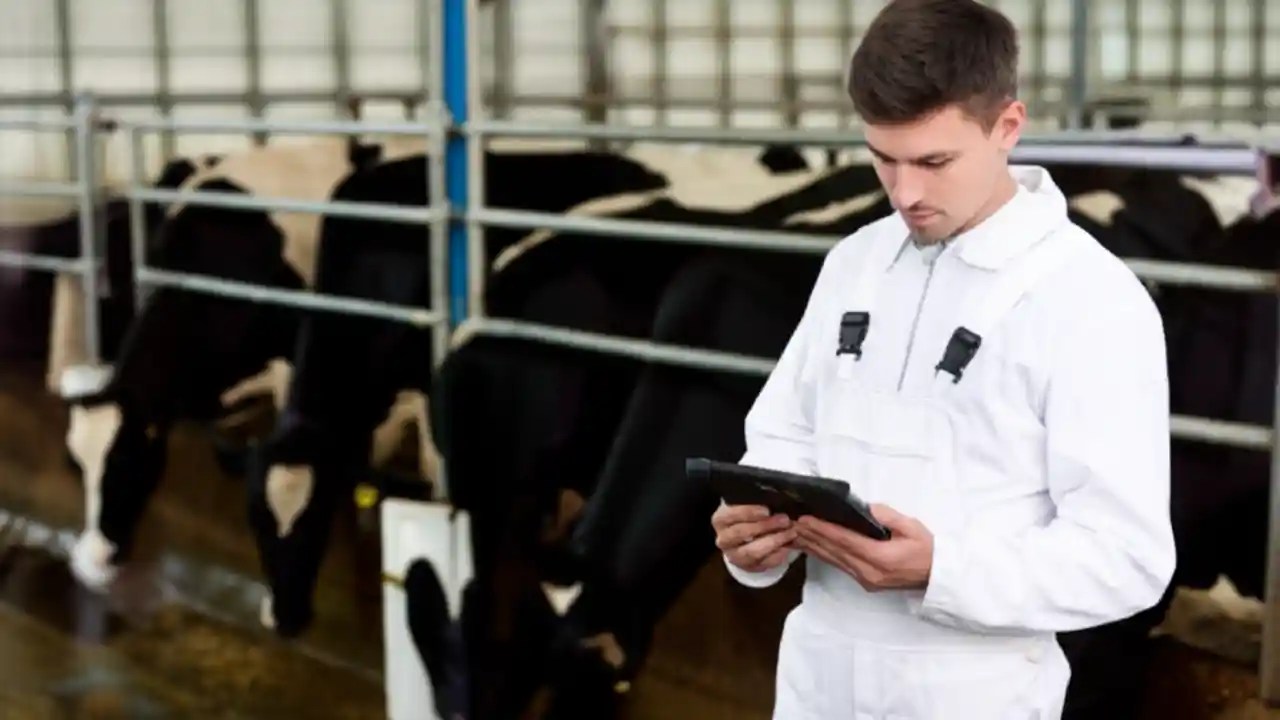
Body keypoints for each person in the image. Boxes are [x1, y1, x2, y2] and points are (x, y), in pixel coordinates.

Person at [709, 1, 1177, 718]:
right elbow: (782, 438)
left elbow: (1129, 558)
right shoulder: (854, 262)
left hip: (974, 690)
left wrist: (944, 570)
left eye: (934, 161)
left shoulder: (1090, 300)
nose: (906, 193)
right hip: (816, 678)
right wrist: (755, 541)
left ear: (1007, 128)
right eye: (882, 159)